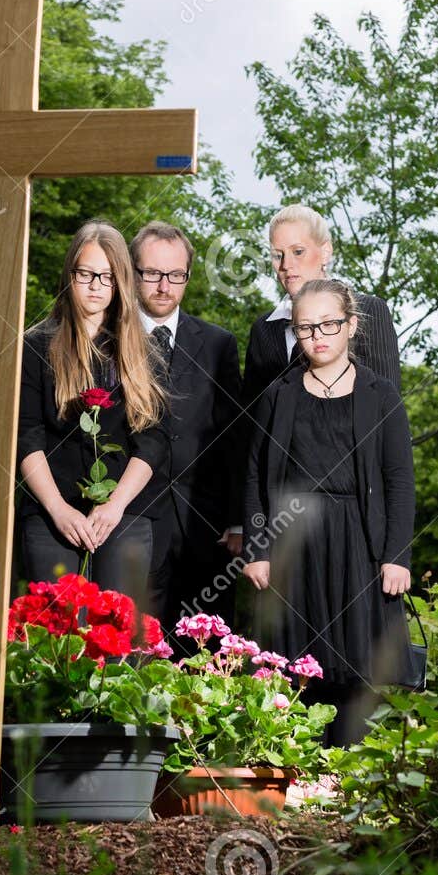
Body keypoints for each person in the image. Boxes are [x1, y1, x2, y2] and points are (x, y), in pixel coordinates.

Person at [241, 278, 415, 745]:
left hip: (358, 541)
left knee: (356, 663)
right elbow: (256, 476)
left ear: (352, 325)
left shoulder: (381, 396)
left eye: (328, 325)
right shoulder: (279, 395)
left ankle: (344, 771)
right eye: (305, 328)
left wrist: (397, 554)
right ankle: (295, 769)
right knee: (292, 660)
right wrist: (257, 548)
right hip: (291, 540)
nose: (317, 336)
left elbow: (400, 481)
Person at [16, 220, 168, 598]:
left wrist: (114, 507)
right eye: (86, 273)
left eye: (107, 276)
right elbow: (26, 435)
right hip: (52, 512)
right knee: (54, 635)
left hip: (125, 512)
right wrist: (58, 509)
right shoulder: (35, 346)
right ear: (70, 275)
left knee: (115, 639)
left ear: (120, 283)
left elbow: (152, 441)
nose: (97, 285)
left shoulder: (144, 350)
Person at [126, 221, 246, 633]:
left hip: (207, 526)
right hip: (130, 521)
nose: (165, 286)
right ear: (132, 272)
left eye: (176, 275)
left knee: (205, 652)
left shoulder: (218, 345)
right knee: (133, 647)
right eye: (153, 274)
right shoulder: (107, 340)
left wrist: (237, 519)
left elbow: (234, 437)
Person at [241, 204, 401, 421]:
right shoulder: (263, 329)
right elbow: (251, 419)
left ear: (325, 252)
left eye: (298, 251)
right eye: (278, 255)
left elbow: (387, 410)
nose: (286, 265)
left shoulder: (369, 310)